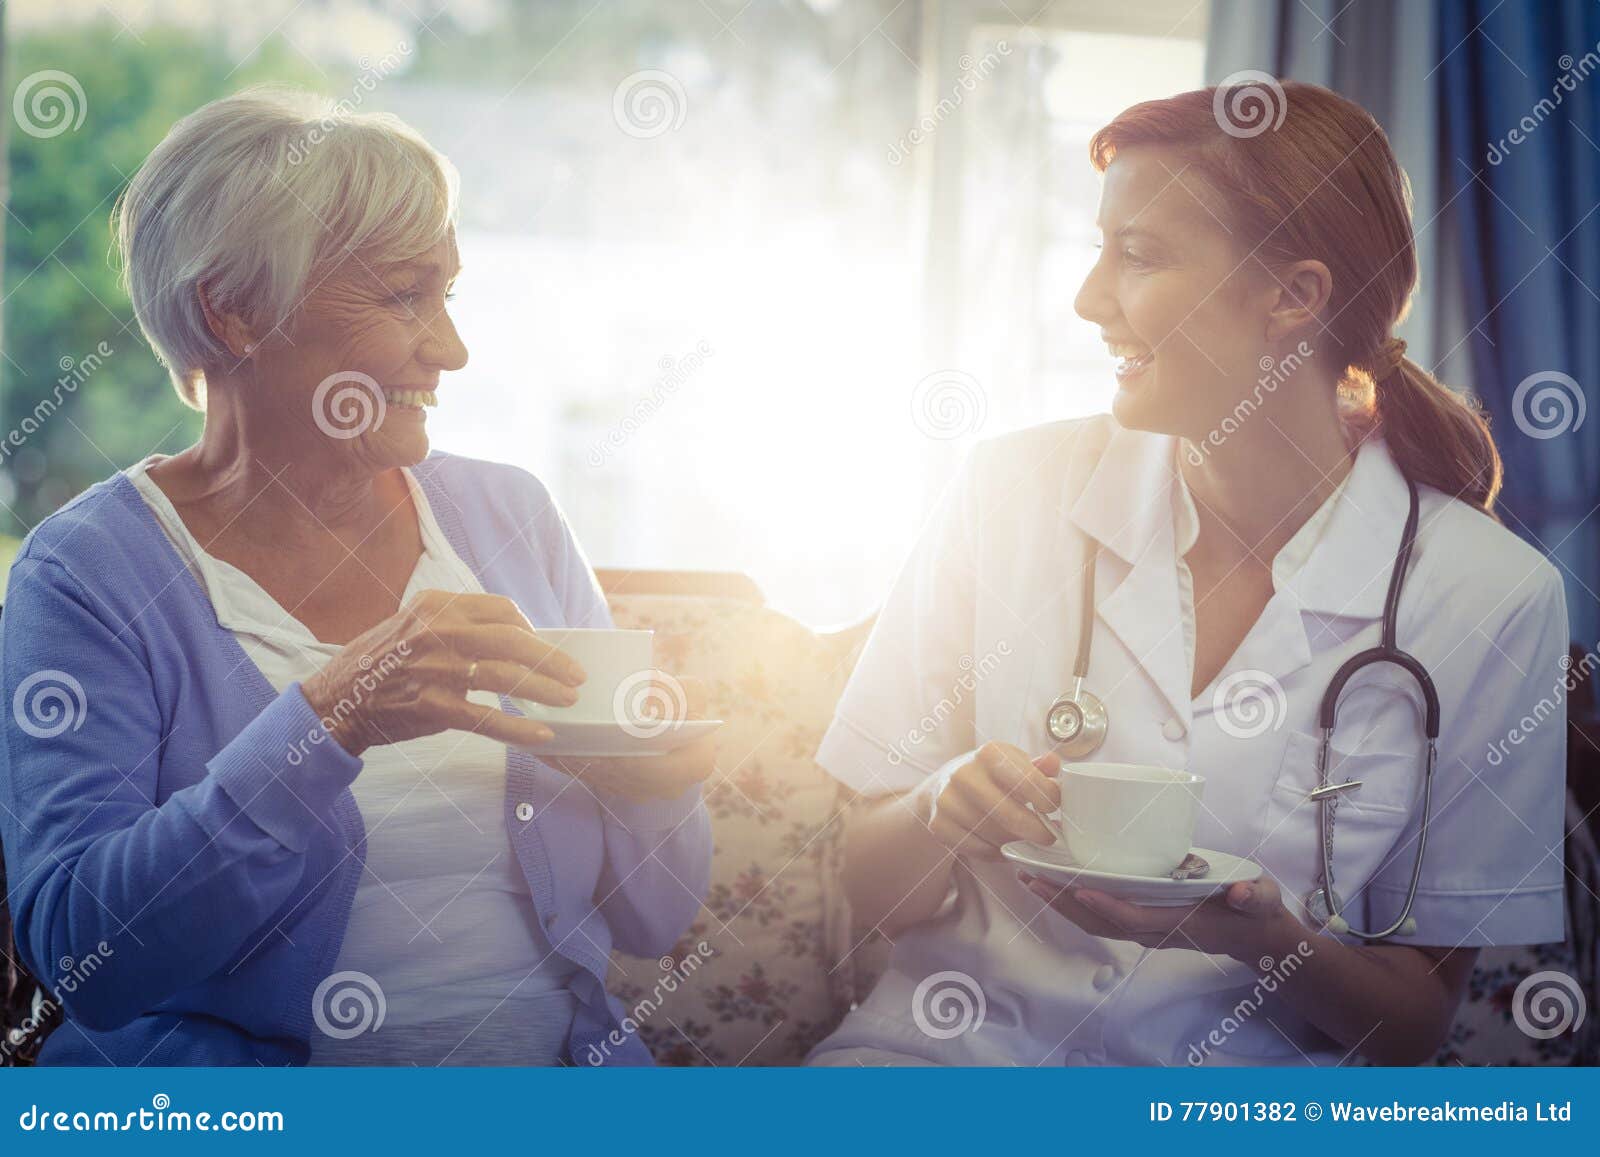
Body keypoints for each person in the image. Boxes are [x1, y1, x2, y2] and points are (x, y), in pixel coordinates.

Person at [808, 81, 1569, 1066]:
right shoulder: (1005, 492)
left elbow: (1412, 1026)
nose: (1088, 300)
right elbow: (869, 889)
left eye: (1138, 255)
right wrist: (935, 802)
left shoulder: (1489, 597)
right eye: (1099, 247)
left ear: (1293, 295)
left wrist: (1265, 940)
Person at [0, 88, 713, 1066]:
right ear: (236, 310)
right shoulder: (88, 573)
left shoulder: (511, 518)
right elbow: (88, 958)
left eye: (447, 295)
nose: (453, 351)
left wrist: (652, 780)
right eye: (402, 295)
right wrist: (328, 724)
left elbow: (655, 914)